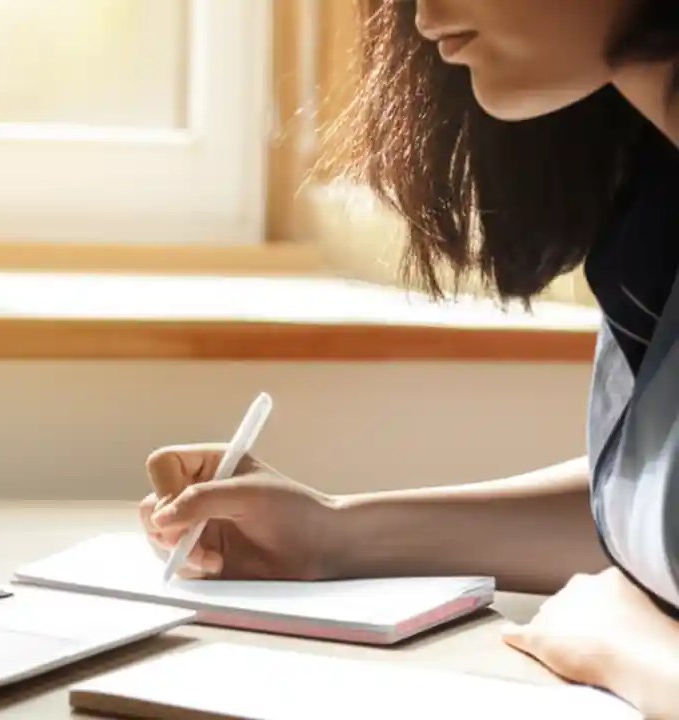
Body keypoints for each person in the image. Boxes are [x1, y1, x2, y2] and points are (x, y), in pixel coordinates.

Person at [139, 0, 679, 716]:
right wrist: (333, 533)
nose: (422, 15)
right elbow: (652, 516)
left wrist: (633, 649)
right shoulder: (650, 204)